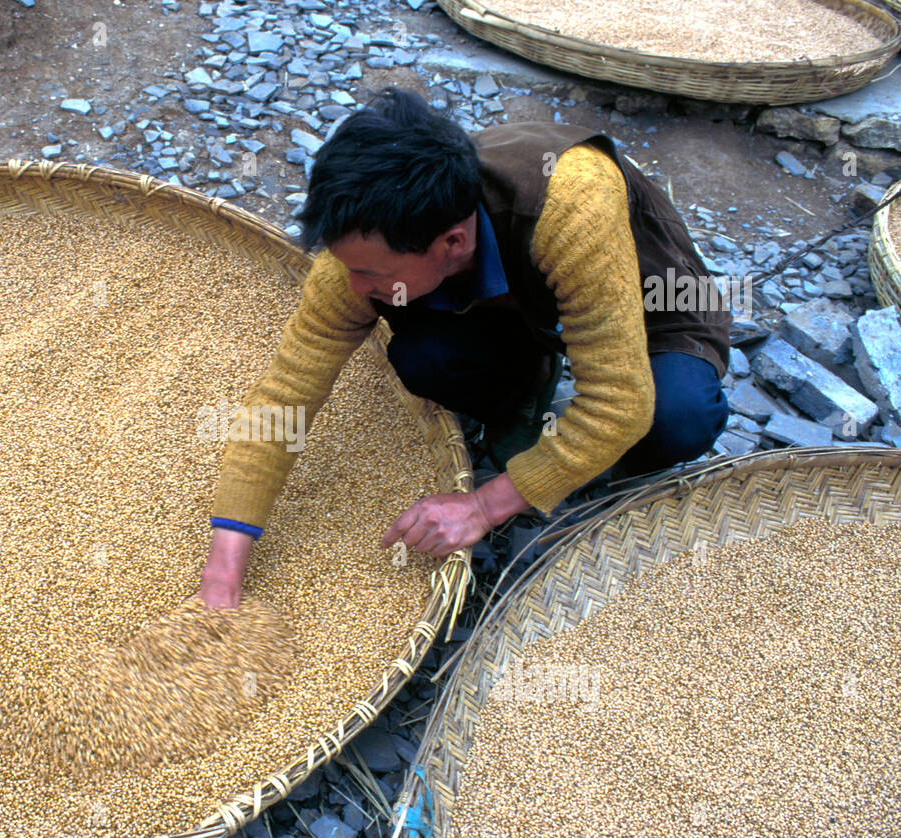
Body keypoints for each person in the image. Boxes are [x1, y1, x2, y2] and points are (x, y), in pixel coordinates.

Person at [199, 88, 730, 609]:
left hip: (641, 296)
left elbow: (620, 404)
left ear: (452, 243)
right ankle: (527, 383)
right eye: (348, 267)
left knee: (674, 417)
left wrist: (483, 504)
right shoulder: (366, 245)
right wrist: (225, 566)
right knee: (425, 359)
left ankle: (580, 408)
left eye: (368, 274)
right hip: (516, 301)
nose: (354, 285)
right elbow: (286, 390)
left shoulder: (571, 204)